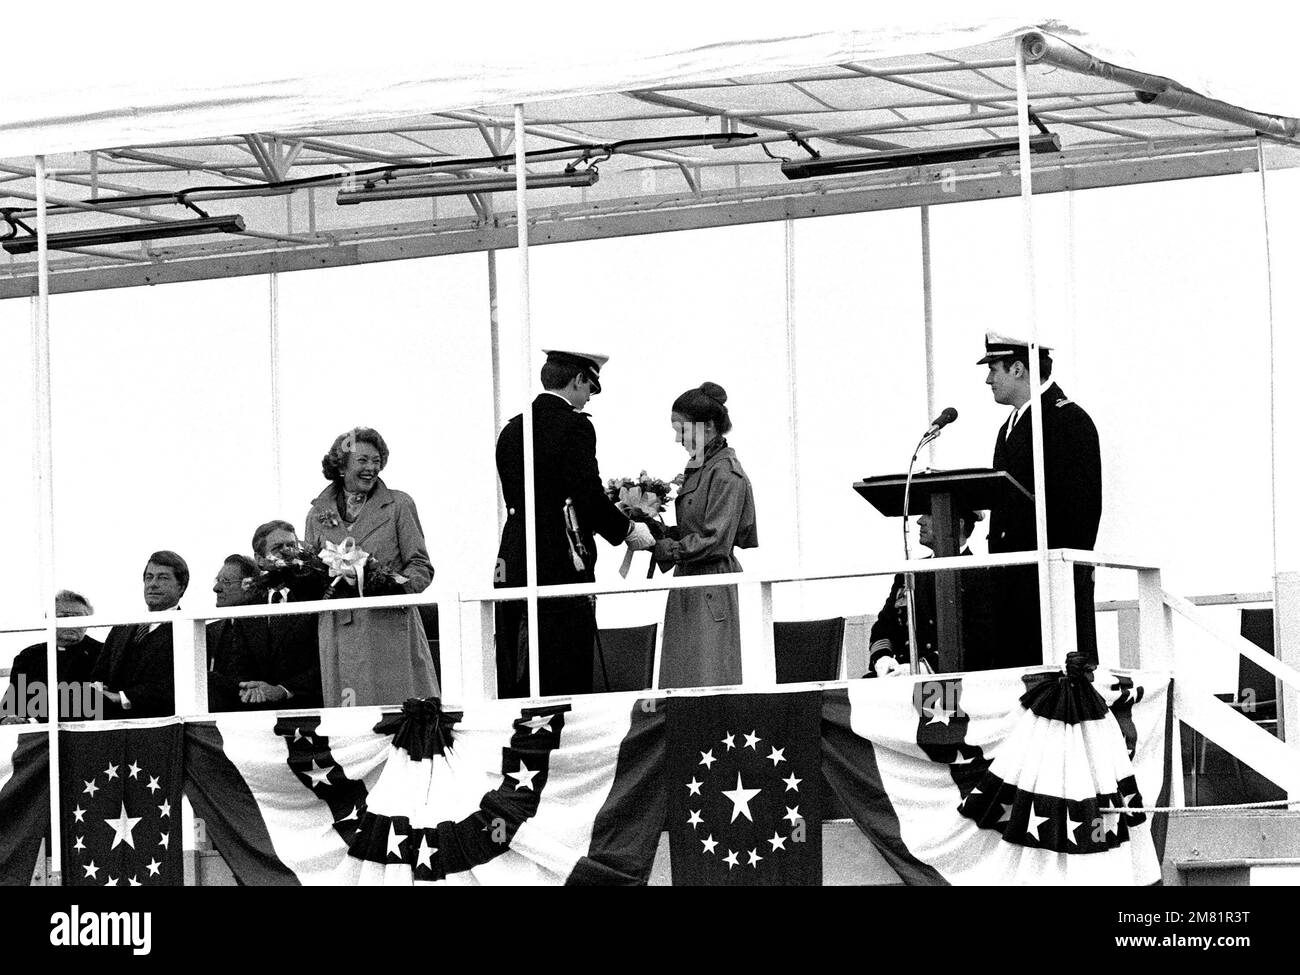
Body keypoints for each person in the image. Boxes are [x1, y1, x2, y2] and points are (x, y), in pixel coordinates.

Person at [494, 349, 654, 698]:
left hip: (514, 557)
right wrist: (628, 530)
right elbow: (586, 495)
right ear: (579, 380)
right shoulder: (575, 427)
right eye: (589, 389)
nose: (586, 400)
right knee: (564, 665)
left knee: (518, 661)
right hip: (561, 558)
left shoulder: (511, 430)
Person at [978, 330, 1102, 665]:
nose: (989, 379)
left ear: (1018, 369)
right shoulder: (1009, 428)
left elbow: (1082, 510)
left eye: (994, 368)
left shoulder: (1067, 420)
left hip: (1050, 582)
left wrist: (1064, 572)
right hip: (1012, 579)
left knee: (1057, 688)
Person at [304, 427, 439, 708]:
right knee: (349, 726)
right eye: (363, 460)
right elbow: (311, 571)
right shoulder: (317, 513)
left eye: (376, 461)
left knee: (395, 715)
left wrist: (392, 585)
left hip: (388, 627)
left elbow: (421, 567)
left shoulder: (399, 504)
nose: (371, 468)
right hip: (338, 629)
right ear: (341, 466)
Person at [652, 382, 758, 689]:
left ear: (709, 426)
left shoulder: (725, 471)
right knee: (680, 677)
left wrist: (669, 549)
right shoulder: (700, 466)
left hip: (711, 584)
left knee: (709, 676)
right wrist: (656, 531)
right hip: (689, 580)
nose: (677, 439)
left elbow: (715, 540)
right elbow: (695, 530)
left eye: (683, 430)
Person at [867, 511, 994, 677]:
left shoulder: (980, 574)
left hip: (952, 680)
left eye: (930, 513)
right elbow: (884, 625)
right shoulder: (910, 573)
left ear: (958, 523)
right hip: (898, 675)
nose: (919, 521)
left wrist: (926, 668)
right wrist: (882, 658)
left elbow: (979, 642)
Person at [207, 554, 322, 711]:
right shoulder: (210, 630)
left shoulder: (291, 612)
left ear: (252, 585)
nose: (217, 588)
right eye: (217, 580)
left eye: (226, 582)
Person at [90, 551, 188, 719]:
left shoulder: (190, 630)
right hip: (112, 726)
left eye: (163, 578)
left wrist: (123, 697)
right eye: (149, 577)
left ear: (181, 587)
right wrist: (98, 689)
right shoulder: (122, 628)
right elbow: (99, 674)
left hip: (161, 728)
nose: (153, 584)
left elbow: (181, 686)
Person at [1, 590, 102, 723]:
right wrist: (8, 719)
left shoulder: (103, 653)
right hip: (39, 734)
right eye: (63, 616)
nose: (70, 622)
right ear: (48, 620)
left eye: (78, 617)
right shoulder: (29, 657)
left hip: (89, 733)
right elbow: (13, 704)